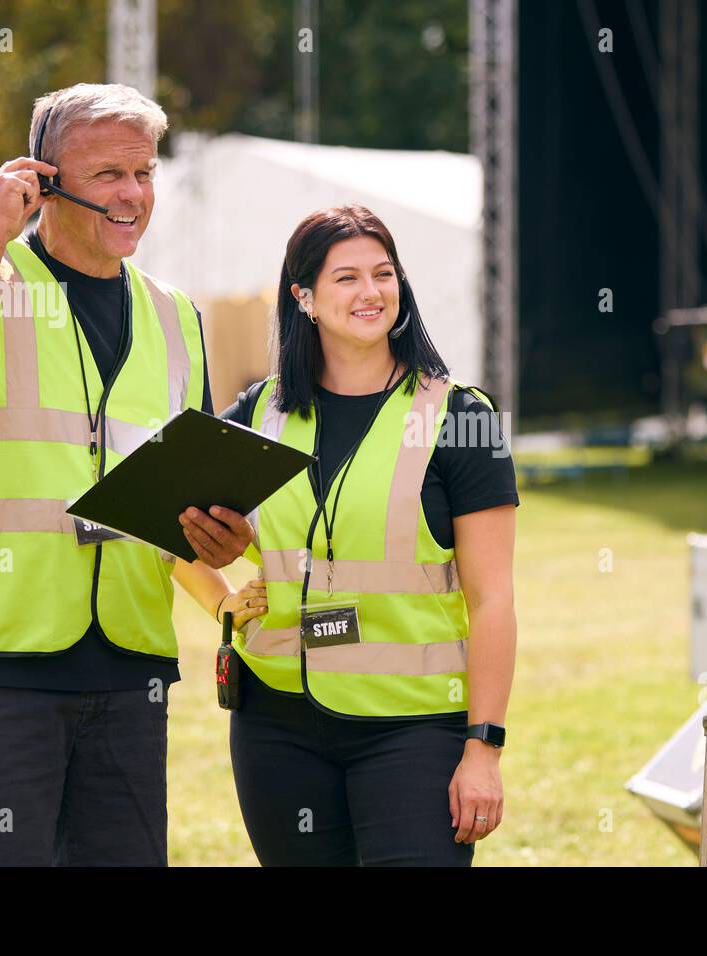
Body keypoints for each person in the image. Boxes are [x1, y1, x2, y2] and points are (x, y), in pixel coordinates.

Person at [0, 83, 256, 866]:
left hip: (130, 670)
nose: (134, 195)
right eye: (109, 174)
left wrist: (218, 541)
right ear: (42, 180)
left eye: (145, 172)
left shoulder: (174, 316)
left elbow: (180, 492)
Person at [212, 204, 519, 865]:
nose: (371, 292)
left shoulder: (461, 418)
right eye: (346, 277)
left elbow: (493, 599)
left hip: (413, 729)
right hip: (275, 728)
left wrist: (483, 748)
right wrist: (219, 595)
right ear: (304, 297)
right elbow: (172, 520)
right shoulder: (257, 414)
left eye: (384, 274)